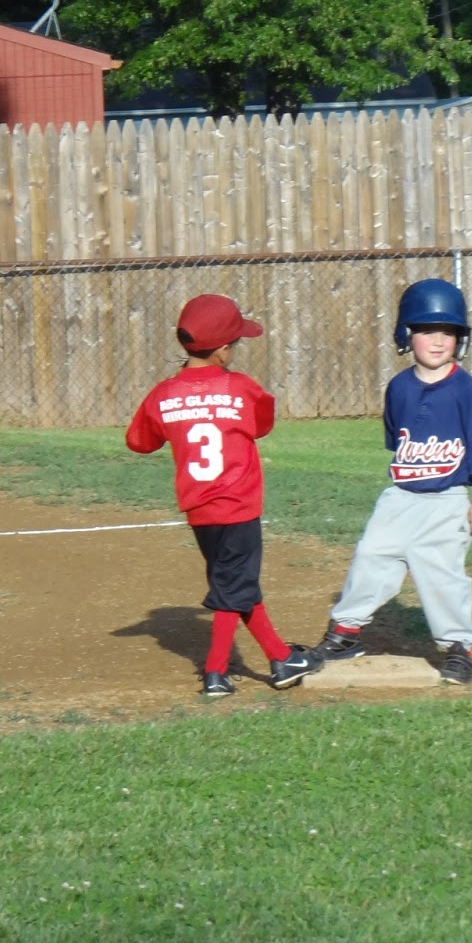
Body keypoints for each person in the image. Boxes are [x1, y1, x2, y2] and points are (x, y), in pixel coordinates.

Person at [125, 292, 323, 698]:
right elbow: (262, 424)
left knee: (235, 583)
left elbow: (138, 442)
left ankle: (282, 655)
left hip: (200, 512)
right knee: (233, 588)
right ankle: (218, 671)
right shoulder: (241, 388)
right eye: (235, 343)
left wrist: (182, 411)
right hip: (238, 507)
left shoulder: (164, 394)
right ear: (223, 351)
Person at [315, 277, 472, 685]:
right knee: (371, 555)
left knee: (442, 574)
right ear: (406, 335)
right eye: (428, 330)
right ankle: (346, 632)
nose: (438, 340)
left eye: (448, 332)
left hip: (447, 498)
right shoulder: (397, 388)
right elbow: (396, 439)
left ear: (460, 339)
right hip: (399, 496)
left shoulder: (466, 390)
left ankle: (457, 648)